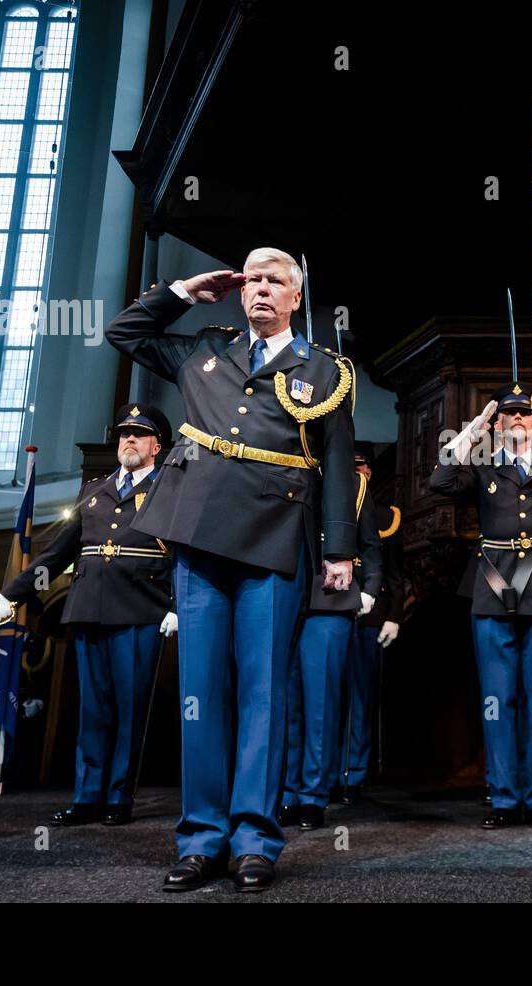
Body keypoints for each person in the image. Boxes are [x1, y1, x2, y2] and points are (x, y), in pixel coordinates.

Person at [104, 248, 356, 893]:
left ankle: (254, 839)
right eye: (252, 281)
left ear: (297, 297)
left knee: (265, 694)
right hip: (198, 535)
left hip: (274, 538)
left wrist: (339, 552)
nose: (261, 290)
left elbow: (334, 460)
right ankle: (200, 837)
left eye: (276, 282)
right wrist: (186, 290)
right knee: (200, 692)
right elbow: (124, 332)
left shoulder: (324, 371)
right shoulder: (203, 349)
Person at [0, 404, 176, 827]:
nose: (129, 439)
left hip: (141, 611)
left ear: (156, 446)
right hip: (90, 609)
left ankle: (117, 797)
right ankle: (88, 795)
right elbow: (58, 555)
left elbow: (185, 554)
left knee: (130, 709)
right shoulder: (93, 490)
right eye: (124, 432)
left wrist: (177, 606)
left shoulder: (171, 490)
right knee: (93, 710)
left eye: (139, 434)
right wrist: (11, 596)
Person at [430, 382, 532, 829]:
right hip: (493, 589)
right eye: (508, 415)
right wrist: (470, 432)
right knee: (498, 699)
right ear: (497, 425)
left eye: (526, 414)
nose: (518, 419)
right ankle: (502, 796)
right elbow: (439, 479)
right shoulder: (483, 468)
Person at [282, 446, 382, 829]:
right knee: (284, 702)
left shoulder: (353, 484)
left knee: (321, 702)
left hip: (329, 595)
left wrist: (370, 586)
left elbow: (370, 544)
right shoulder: (282, 465)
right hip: (282, 589)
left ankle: (312, 794)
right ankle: (286, 792)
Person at [333, 443, 404, 806]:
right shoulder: (330, 508)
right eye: (351, 466)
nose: (356, 472)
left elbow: (394, 573)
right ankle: (325, 772)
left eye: (361, 467)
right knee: (327, 697)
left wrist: (393, 617)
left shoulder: (385, 516)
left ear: (370, 472)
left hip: (368, 617)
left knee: (359, 699)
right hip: (329, 610)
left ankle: (351, 774)